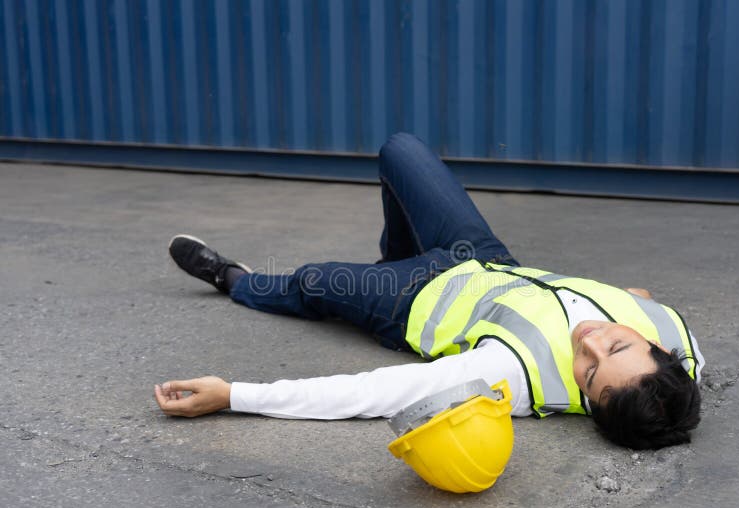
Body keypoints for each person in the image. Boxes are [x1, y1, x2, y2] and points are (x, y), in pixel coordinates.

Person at [154, 132, 704, 450]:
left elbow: (372, 393)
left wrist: (234, 396)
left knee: (314, 282)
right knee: (401, 150)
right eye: (617, 345)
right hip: (482, 259)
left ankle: (238, 281)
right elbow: (678, 361)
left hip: (411, 300)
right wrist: (637, 300)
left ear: (585, 402)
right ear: (657, 347)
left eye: (587, 371)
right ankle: (394, 257)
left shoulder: (508, 375)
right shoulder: (675, 343)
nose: (588, 340)